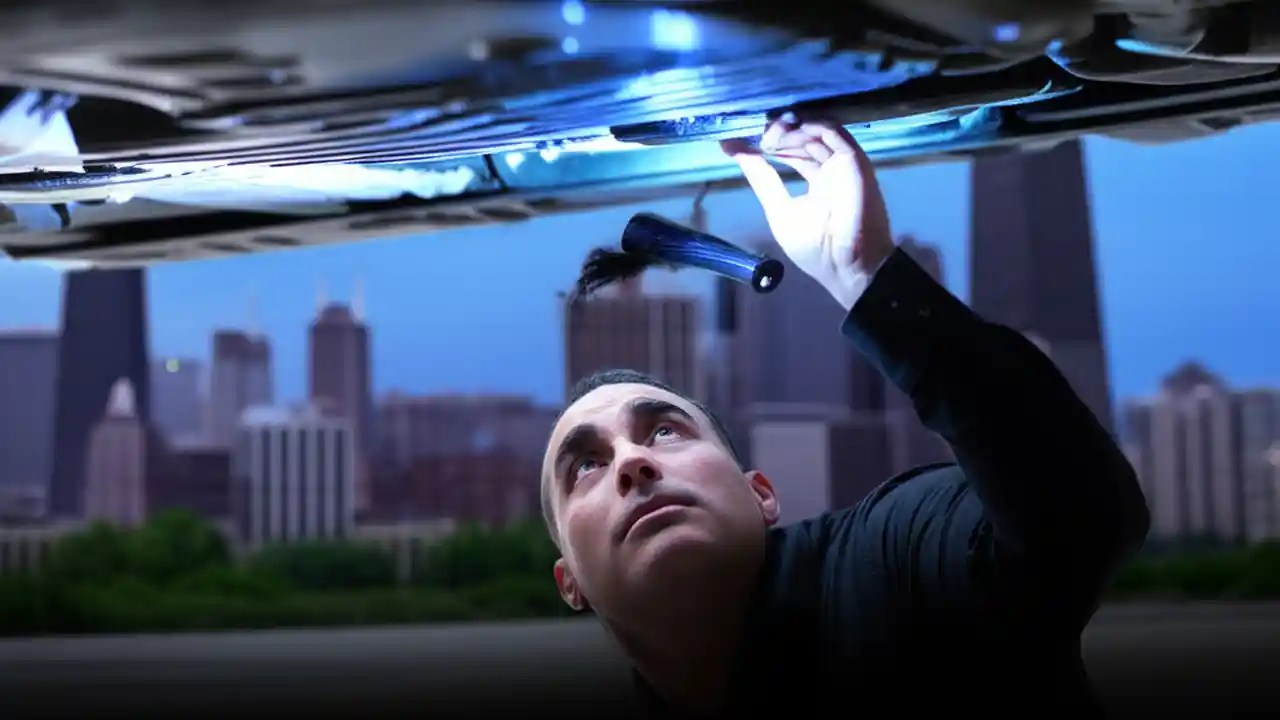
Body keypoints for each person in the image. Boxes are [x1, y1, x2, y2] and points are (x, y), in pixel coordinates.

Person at [539, 116, 1151, 718]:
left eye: (666, 430)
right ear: (571, 584)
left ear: (763, 497)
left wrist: (869, 279)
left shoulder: (893, 557)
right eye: (587, 466)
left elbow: (1081, 522)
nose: (634, 462)